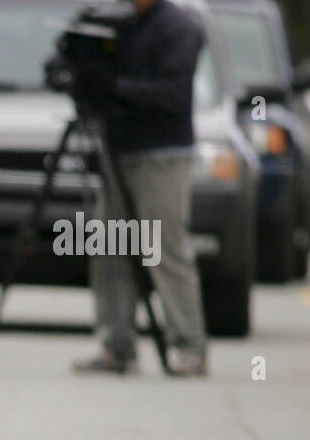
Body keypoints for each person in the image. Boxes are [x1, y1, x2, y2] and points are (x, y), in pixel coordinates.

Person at [71, 0, 208, 376]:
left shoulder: (179, 27)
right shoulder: (117, 23)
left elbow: (172, 95)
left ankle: (189, 346)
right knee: (110, 247)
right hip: (116, 149)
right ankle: (117, 345)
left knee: (164, 248)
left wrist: (114, 87)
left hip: (161, 154)